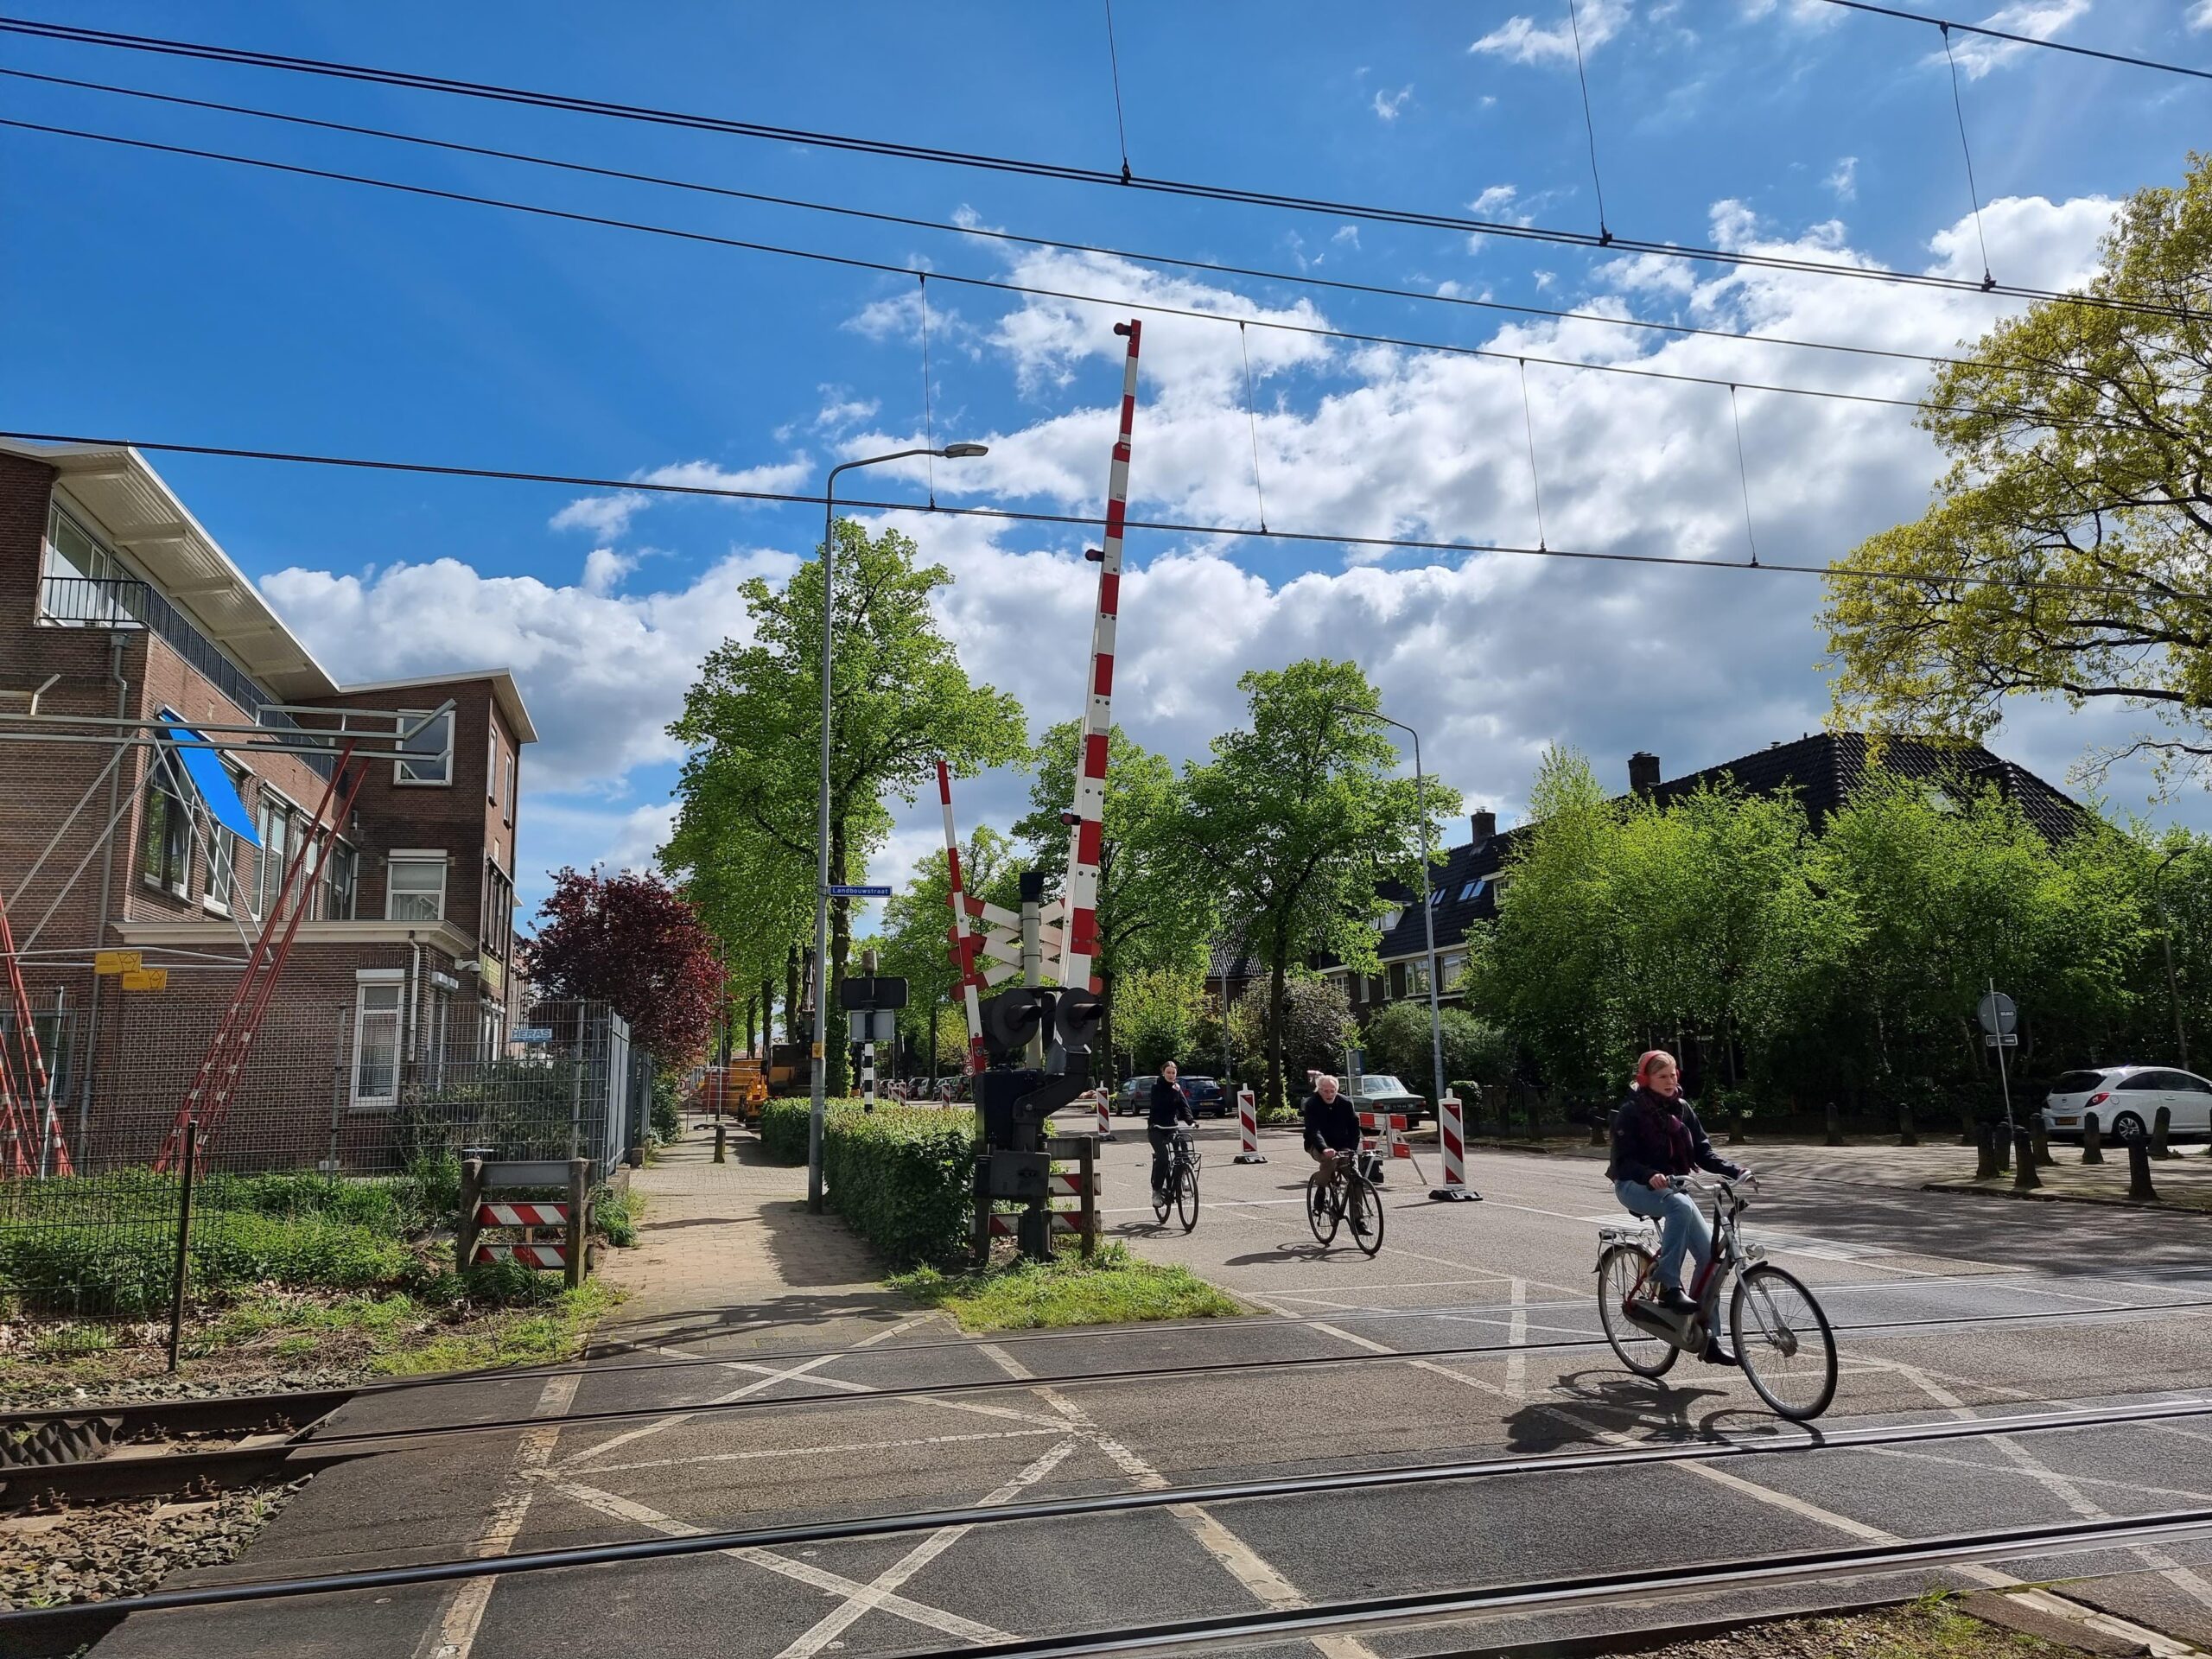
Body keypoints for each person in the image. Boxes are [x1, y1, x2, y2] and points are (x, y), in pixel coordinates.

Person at [1608, 1050, 1744, 1366]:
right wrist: (1649, 1174)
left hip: (1673, 1187)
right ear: (1645, 1080)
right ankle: (1668, 1285)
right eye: (1662, 1077)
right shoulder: (1630, 1112)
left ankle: (1709, 1339)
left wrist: (1736, 1171)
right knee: (1680, 1207)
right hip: (1633, 1185)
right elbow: (1624, 1161)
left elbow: (1703, 1153)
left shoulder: (1682, 1109)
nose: (1670, 1082)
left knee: (1711, 1260)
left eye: (1673, 1075)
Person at [1301, 1072, 1369, 1233]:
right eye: (1325, 1091)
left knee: (1355, 1178)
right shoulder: (1312, 1104)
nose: (1329, 1094)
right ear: (1319, 1090)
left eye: (1333, 1091)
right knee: (1329, 1160)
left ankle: (1359, 1220)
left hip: (1342, 1145)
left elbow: (1354, 1128)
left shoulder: (1345, 1103)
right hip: (1317, 1145)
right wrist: (1324, 1148)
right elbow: (1314, 1130)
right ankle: (1321, 1188)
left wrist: (1351, 1149)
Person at [1148, 1060, 1194, 1206]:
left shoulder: (1177, 1088)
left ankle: (1182, 1177)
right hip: (1157, 1128)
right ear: (1163, 1072)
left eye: (1173, 1073)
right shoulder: (1156, 1088)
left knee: (1184, 1149)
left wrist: (1190, 1121)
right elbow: (1159, 1104)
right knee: (1164, 1159)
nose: (1171, 1075)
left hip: (1172, 1128)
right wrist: (1172, 1091)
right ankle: (1156, 1192)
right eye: (1168, 1072)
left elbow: (1183, 1106)